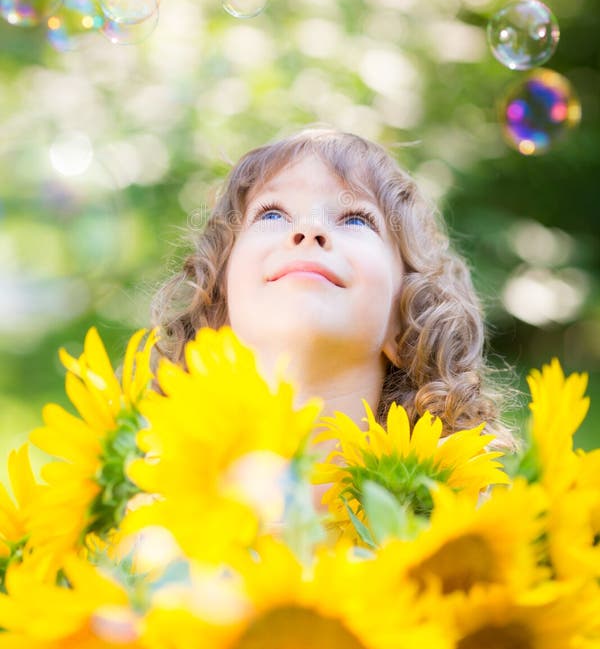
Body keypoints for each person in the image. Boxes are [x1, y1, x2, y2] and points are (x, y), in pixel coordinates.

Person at [151, 125, 518, 458]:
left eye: (355, 219)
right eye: (272, 214)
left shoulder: (454, 516)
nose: (309, 230)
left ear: (406, 321)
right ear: (219, 306)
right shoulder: (150, 512)